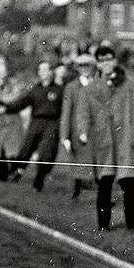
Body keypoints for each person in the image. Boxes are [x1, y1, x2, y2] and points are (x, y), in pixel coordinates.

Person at [72, 47, 134, 231]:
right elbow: (82, 114)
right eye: (101, 61)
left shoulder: (130, 84)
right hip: (104, 142)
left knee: (130, 184)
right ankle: (103, 225)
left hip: (126, 140)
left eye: (109, 59)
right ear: (97, 64)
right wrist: (82, 132)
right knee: (105, 182)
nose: (106, 64)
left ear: (114, 61)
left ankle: (131, 226)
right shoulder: (91, 89)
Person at [0, 60, 65, 192]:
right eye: (41, 70)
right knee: (26, 149)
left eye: (46, 70)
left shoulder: (59, 90)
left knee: (45, 154)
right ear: (39, 73)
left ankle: (38, 182)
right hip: (36, 122)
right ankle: (16, 172)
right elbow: (21, 103)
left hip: (51, 123)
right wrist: (6, 108)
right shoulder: (35, 90)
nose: (44, 73)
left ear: (51, 72)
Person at [59, 53, 98, 197]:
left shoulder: (98, 84)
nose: (85, 69)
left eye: (87, 65)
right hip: (77, 131)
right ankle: (76, 192)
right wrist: (64, 136)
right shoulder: (72, 87)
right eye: (81, 66)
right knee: (78, 164)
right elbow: (66, 113)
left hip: (96, 131)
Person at [0, 56, 26, 182]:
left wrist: (2, 101)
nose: (1, 72)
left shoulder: (14, 82)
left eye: (3, 69)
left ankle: (14, 172)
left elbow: (16, 97)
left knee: (14, 150)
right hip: (0, 121)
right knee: (0, 150)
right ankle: (3, 176)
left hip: (13, 119)